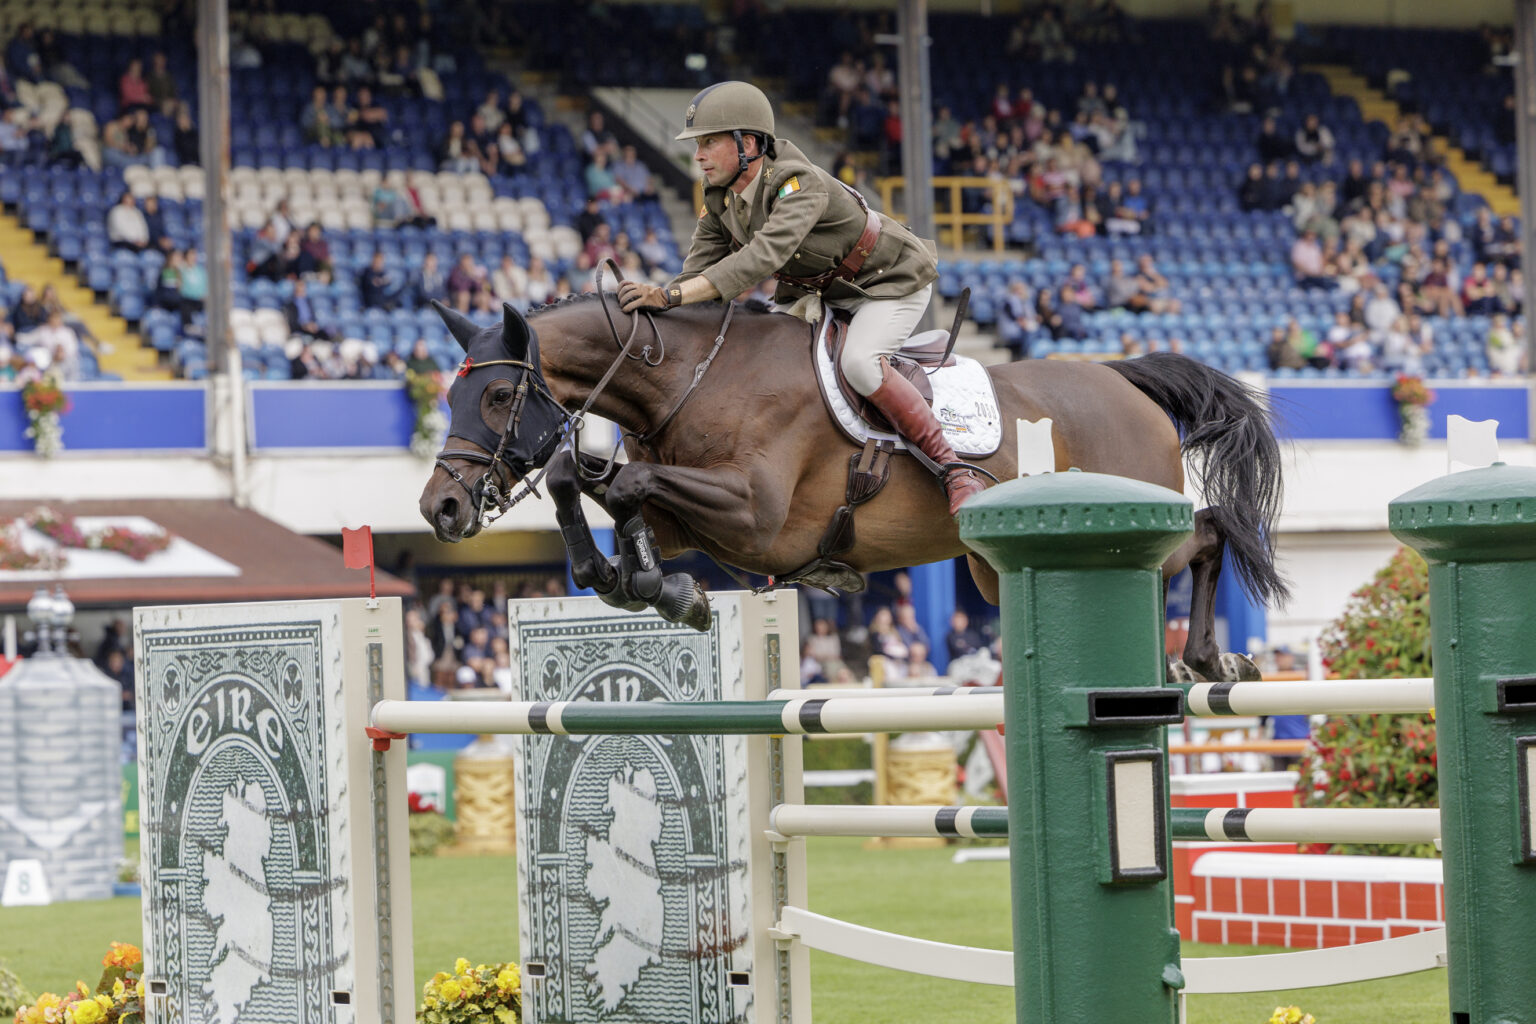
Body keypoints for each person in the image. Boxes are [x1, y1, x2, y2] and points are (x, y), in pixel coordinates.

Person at [617, 82, 984, 515]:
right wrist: (656, 317)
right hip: (821, 289)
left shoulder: (797, 183)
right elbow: (696, 275)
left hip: (888, 282)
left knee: (859, 364)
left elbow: (760, 258)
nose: (697, 155)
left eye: (708, 143)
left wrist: (668, 295)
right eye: (698, 145)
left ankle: (954, 468)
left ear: (747, 143)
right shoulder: (719, 197)